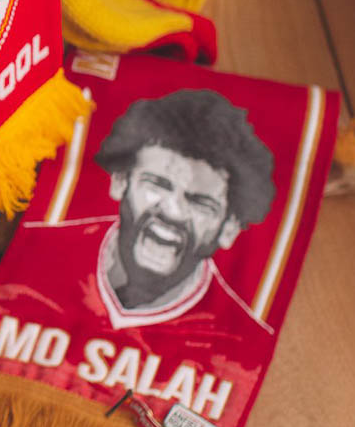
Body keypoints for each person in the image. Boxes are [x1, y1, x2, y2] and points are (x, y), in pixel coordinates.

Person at [92, 90, 276, 322]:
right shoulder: (40, 257)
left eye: (201, 203)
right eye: (157, 185)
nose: (173, 211)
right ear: (120, 181)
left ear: (229, 229)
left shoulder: (237, 341)